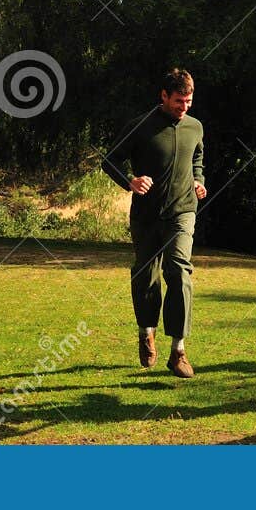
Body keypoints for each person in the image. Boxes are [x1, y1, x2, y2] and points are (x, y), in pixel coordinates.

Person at [101, 68, 205, 378]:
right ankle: (147, 332)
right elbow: (110, 161)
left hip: (182, 211)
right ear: (163, 96)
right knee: (146, 275)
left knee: (179, 270)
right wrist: (130, 181)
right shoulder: (140, 126)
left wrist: (199, 180)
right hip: (146, 214)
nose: (183, 107)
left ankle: (178, 350)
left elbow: (197, 159)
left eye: (188, 101)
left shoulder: (195, 127)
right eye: (178, 101)